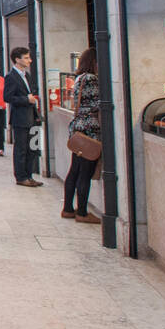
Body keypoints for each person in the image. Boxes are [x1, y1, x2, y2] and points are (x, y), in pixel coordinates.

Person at [63, 48, 101, 224]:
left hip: (78, 127)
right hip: (90, 129)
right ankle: (83, 212)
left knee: (75, 170)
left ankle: (68, 209)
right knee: (85, 172)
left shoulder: (79, 78)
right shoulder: (92, 79)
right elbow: (98, 103)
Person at [4, 46, 44, 188]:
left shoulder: (27, 75)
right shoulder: (11, 77)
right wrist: (26, 99)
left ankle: (29, 175)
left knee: (32, 148)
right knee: (21, 148)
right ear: (17, 59)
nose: (30, 60)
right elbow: (8, 97)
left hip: (33, 116)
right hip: (20, 119)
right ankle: (21, 177)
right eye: (26, 58)